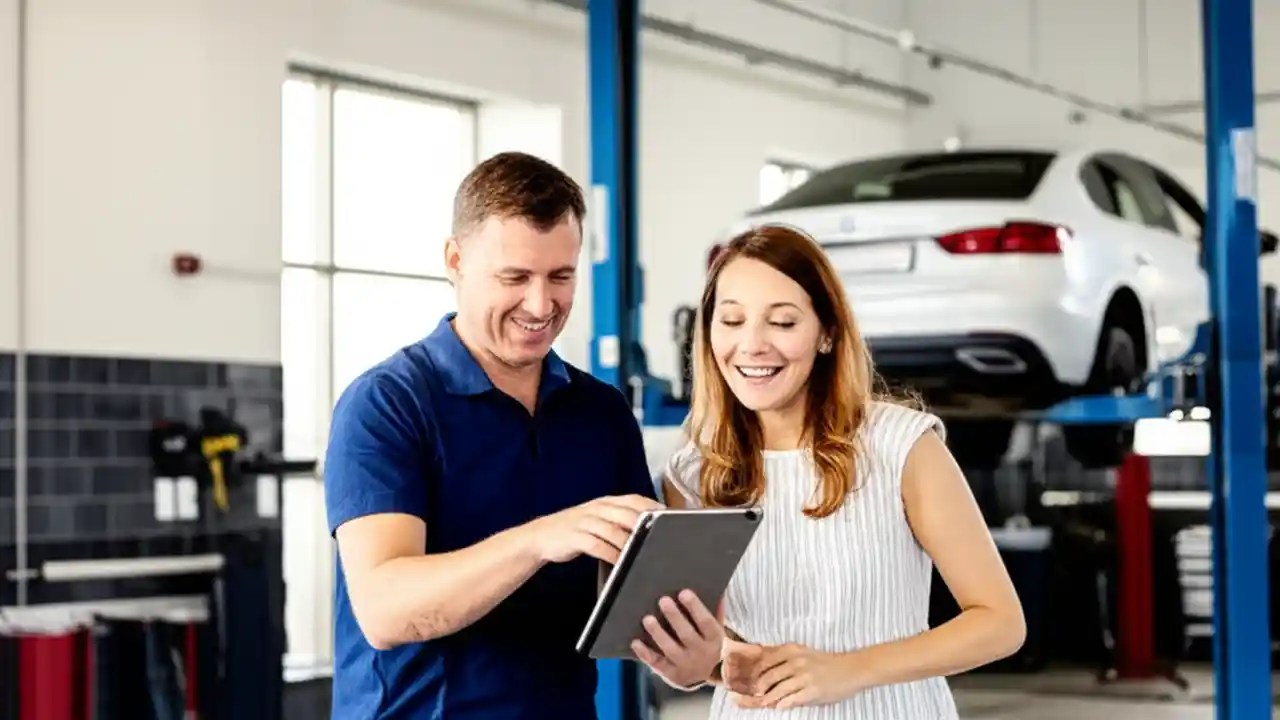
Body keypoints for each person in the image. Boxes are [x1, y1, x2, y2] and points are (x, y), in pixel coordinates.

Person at [323, 151, 723, 718]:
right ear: (455, 260)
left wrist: (695, 657)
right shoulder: (388, 404)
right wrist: (539, 540)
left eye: (561, 277)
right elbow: (385, 612)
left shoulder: (600, 413)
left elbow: (634, 604)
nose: (541, 305)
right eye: (514, 278)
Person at [651, 223, 1027, 718]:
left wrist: (849, 669)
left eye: (782, 323)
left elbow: (1000, 623)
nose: (753, 345)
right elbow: (712, 644)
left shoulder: (900, 446)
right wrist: (712, 664)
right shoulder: (693, 474)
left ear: (827, 333)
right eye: (732, 320)